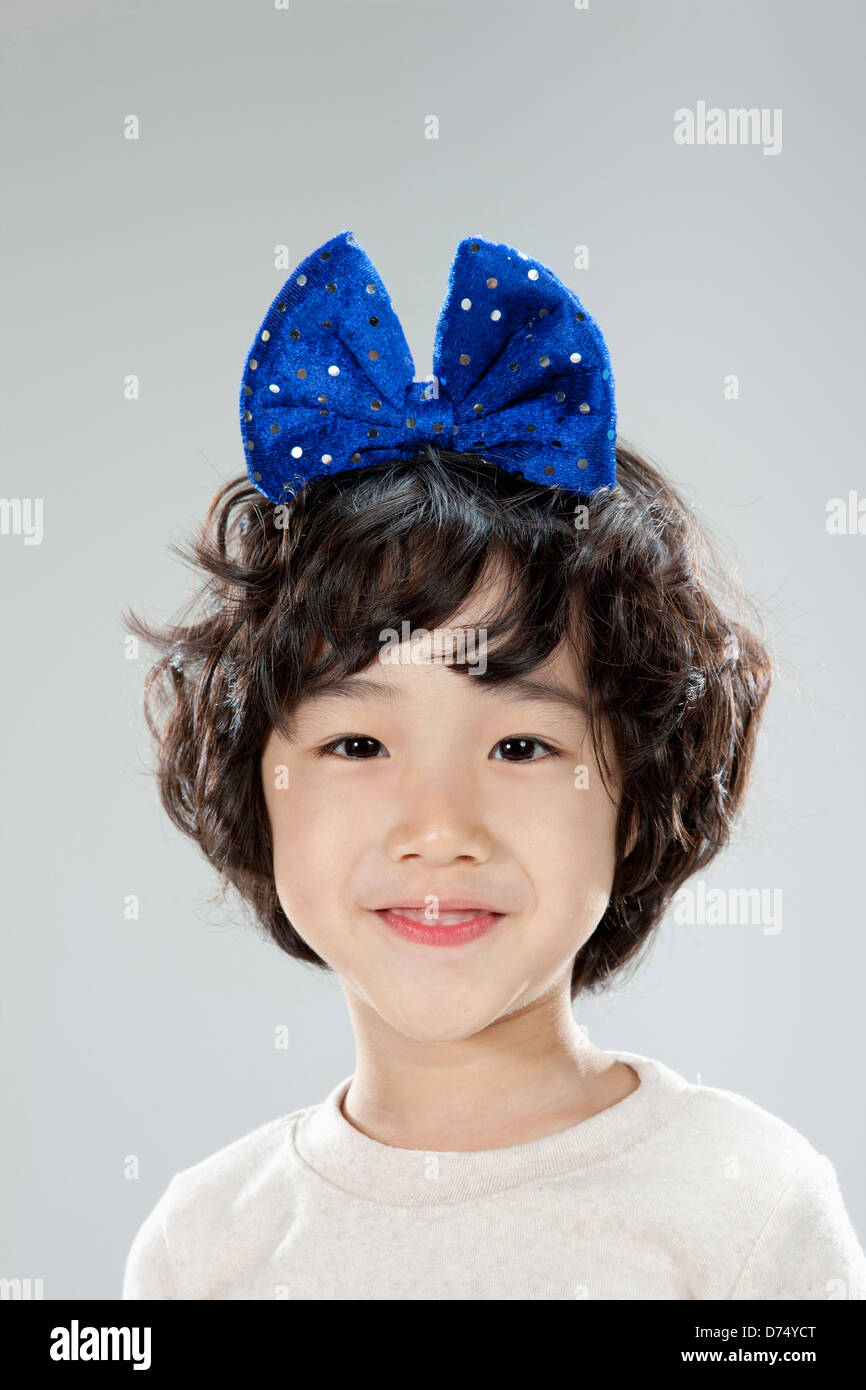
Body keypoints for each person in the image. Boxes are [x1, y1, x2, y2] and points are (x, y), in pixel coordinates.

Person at [121, 232, 866, 1299]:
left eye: (520, 745)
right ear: (257, 783)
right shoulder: (205, 1245)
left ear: (635, 788)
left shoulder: (742, 1210)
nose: (438, 824)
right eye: (357, 743)